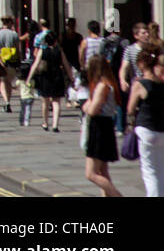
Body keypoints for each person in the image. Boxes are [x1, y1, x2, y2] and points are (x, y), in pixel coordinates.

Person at [81, 55, 122, 196]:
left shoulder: (102, 86)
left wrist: (86, 107)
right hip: (106, 127)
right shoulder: (108, 84)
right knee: (103, 171)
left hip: (99, 128)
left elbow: (91, 109)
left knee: (91, 174)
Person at [126, 42, 164, 197]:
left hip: (145, 130)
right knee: (161, 172)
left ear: (141, 63)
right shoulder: (161, 84)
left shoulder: (140, 84)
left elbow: (129, 109)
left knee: (149, 173)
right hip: (161, 130)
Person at [27, 31, 74, 132]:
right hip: (57, 77)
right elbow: (66, 65)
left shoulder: (42, 51)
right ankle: (55, 124)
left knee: (45, 102)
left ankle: (45, 122)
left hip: (45, 78)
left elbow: (35, 65)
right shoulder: (59, 51)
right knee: (56, 102)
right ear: (56, 41)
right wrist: (72, 78)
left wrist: (29, 78)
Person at [0, 16, 21, 113]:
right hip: (12, 61)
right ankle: (8, 101)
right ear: (10, 23)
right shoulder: (14, 34)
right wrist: (19, 60)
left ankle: (6, 102)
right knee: (9, 82)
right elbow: (18, 49)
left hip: (1, 60)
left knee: (2, 81)